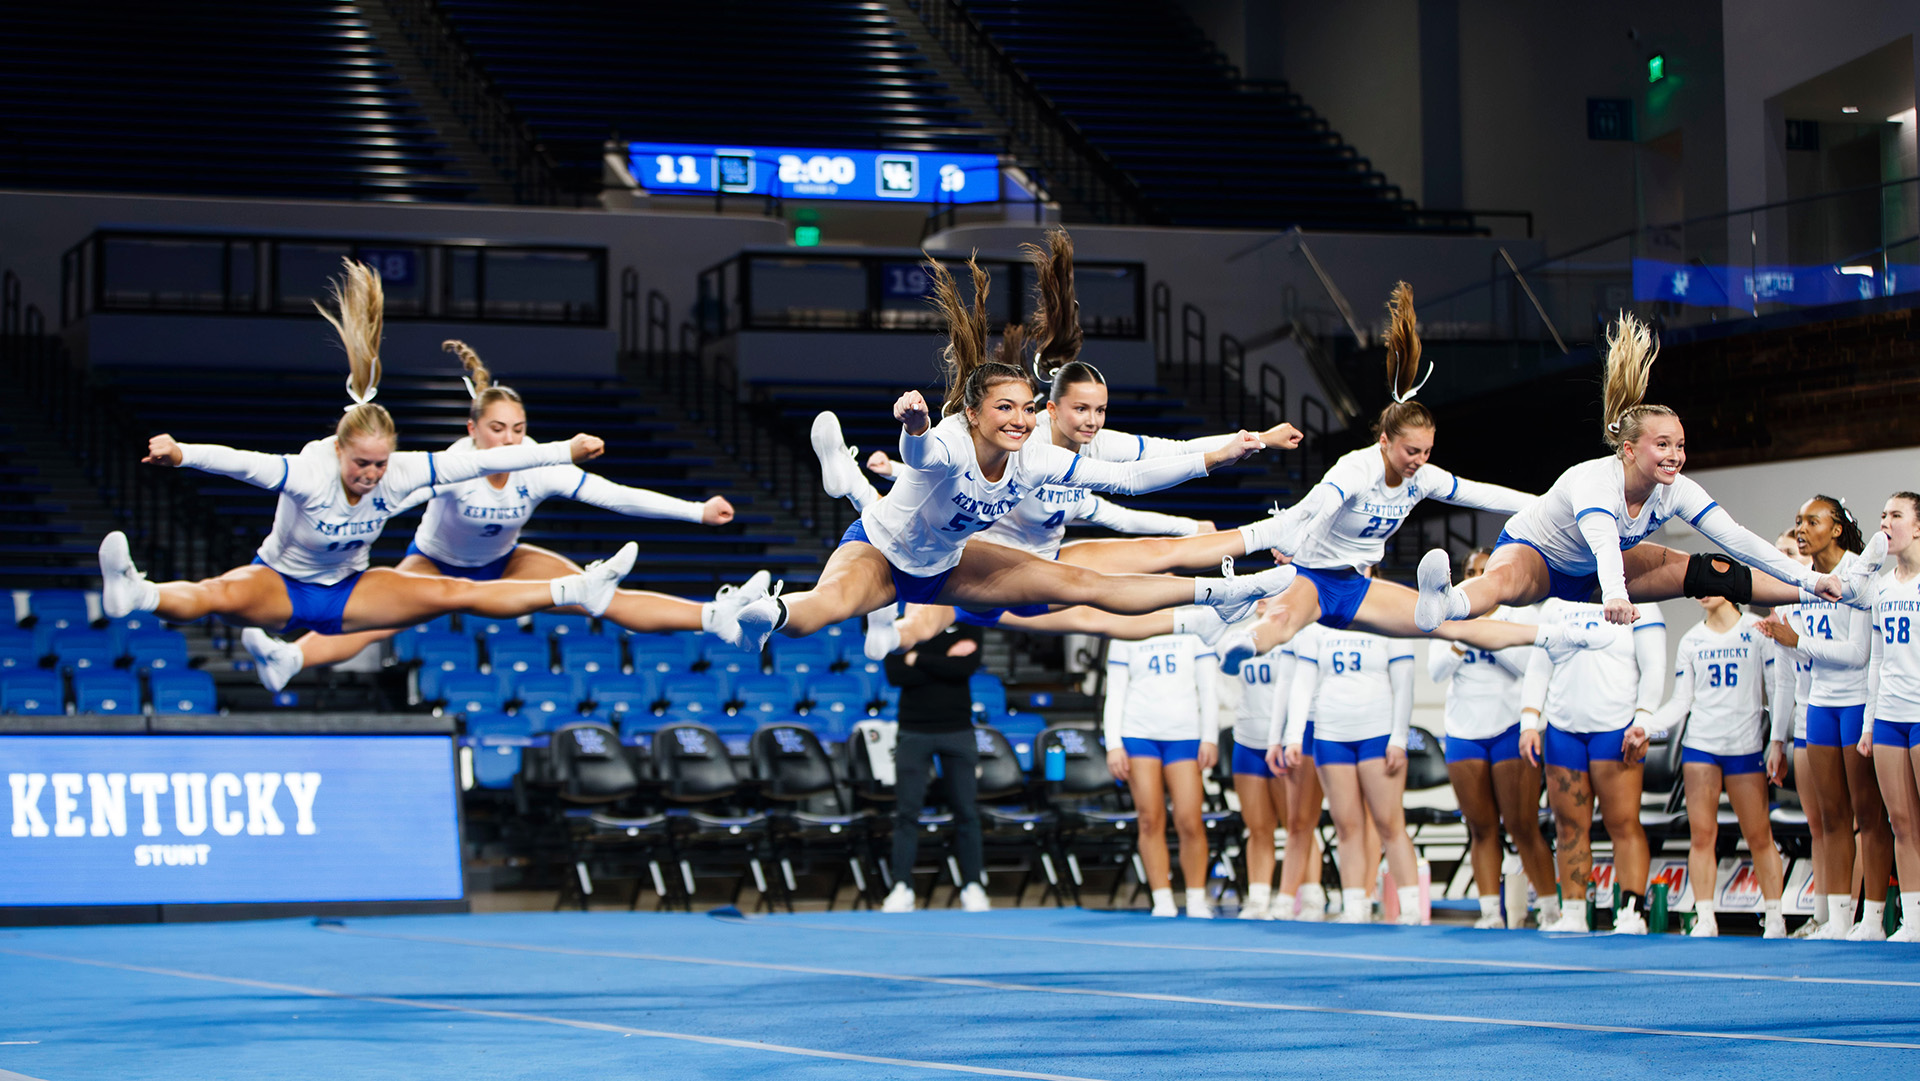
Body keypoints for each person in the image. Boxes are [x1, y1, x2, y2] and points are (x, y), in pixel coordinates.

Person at [722, 256, 1291, 653]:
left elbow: (1128, 480)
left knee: (1084, 584)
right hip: (885, 551)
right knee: (823, 608)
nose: (1020, 420)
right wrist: (915, 426)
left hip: (952, 566)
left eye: (1026, 409)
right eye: (1005, 410)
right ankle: (766, 611)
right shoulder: (950, 439)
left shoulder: (1036, 455)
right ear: (973, 414)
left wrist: (1218, 456)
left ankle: (1227, 592)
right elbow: (919, 457)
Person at [97, 261, 636, 636]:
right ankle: (137, 593)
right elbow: (240, 463)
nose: (371, 474)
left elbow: (489, 458)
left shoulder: (400, 471)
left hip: (352, 590)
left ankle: (575, 590)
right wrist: (179, 452)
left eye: (379, 463)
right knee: (213, 596)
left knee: (455, 593)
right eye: (361, 464)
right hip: (283, 583)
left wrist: (563, 450)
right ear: (338, 450)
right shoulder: (309, 470)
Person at [240, 340, 769, 691]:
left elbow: (612, 494)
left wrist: (696, 511)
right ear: (473, 430)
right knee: (377, 618)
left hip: (506, 563)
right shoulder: (451, 465)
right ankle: (291, 659)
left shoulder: (537, 463)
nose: (511, 439)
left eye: (518, 429)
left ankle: (715, 618)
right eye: (498, 430)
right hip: (434, 564)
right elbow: (380, 503)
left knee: (602, 597)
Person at [1218, 284, 1600, 674]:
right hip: (1312, 577)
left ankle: (1553, 639)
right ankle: (1243, 642)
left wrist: (1550, 507)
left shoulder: (1424, 478)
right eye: (1411, 452)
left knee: (1443, 623)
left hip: (1357, 587)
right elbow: (1322, 502)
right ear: (1384, 441)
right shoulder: (1358, 468)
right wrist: (1294, 539)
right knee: (1280, 623)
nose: (1419, 460)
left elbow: (1482, 495)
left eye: (1427, 452)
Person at [1415, 314, 1879, 633]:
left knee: (1711, 572)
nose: (1675, 455)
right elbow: (1601, 541)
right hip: (1540, 552)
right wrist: (1615, 595)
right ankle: (1446, 603)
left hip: (1602, 570)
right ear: (1629, 449)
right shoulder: (1596, 480)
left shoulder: (1674, 489)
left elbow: (1736, 538)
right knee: (1504, 584)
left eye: (1679, 445)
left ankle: (1834, 595)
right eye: (1663, 446)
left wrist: (1811, 580)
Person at [1756, 496, 1892, 939]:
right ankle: (1837, 918)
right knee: (1831, 818)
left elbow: (1857, 655)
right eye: (1797, 521)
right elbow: (1787, 675)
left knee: (1867, 817)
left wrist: (1797, 641)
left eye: (1811, 521)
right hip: (1819, 709)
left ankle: (1871, 917)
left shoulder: (1857, 573)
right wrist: (1779, 737)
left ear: (1835, 529)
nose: (1801, 528)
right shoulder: (1799, 580)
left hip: (1856, 704)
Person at [1518, 599, 1668, 933]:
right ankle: (1572, 912)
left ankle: (1632, 911)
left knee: (1623, 823)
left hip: (1616, 729)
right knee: (1569, 826)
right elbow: (1539, 668)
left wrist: (1643, 719)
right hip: (1563, 729)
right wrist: (1529, 720)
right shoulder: (1555, 605)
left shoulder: (1641, 602)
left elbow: (1654, 667)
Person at [1429, 549, 1559, 929]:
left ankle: (1550, 909)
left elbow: (1527, 666)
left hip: (1509, 727)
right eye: (1472, 572)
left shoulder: (1522, 613)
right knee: (1480, 827)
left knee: (1522, 824)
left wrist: (1485, 630)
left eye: (1486, 571)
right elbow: (1436, 671)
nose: (1478, 575)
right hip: (1464, 731)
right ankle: (1489, 913)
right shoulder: (1448, 612)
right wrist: (1465, 634)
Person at [1647, 594, 1788, 938]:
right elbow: (1682, 700)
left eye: (1711, 582)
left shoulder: (1756, 633)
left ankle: (1774, 915)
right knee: (1702, 835)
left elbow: (1777, 687)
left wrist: (1777, 741)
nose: (1702, 591)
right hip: (1701, 746)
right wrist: (1646, 726)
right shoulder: (1692, 639)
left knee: (1758, 835)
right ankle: (1705, 914)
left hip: (1744, 746)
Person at [1278, 616, 1420, 924]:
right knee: (1346, 825)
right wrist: (1293, 736)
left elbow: (1404, 682)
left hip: (1377, 733)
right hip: (1331, 735)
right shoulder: (1319, 625)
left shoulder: (1387, 620)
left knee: (1388, 823)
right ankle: (1355, 905)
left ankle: (1411, 907)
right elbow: (1302, 684)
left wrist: (1399, 737)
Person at [1104, 631, 1220, 917]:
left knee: (1190, 819)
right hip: (1139, 733)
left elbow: (1208, 689)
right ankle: (1162, 897)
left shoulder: (1194, 628)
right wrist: (1113, 744)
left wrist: (1210, 737)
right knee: (1149, 818)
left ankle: (1195, 897)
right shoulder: (1125, 631)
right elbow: (1116, 691)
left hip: (1184, 735)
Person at [880, 621, 989, 914]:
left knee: (966, 812)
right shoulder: (902, 625)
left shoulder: (968, 623)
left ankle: (973, 885)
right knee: (907, 813)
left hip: (958, 730)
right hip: (914, 731)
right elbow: (895, 673)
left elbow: (965, 668)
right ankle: (901, 886)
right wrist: (945, 660)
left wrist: (918, 657)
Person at [1228, 598, 1319, 919]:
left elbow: (1298, 686)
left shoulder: (1295, 634)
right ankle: (1258, 897)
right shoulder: (1241, 635)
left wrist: (1285, 734)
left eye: (1272, 594)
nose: (1263, 601)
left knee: (1298, 824)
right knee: (1257, 826)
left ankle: (1310, 896)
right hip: (1247, 739)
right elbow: (1225, 679)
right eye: (1258, 595)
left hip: (1283, 739)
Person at [1856, 492, 1920, 942]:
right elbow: (1876, 659)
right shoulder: (1880, 586)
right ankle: (1914, 919)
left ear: (1917, 527)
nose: (1886, 522)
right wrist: (1869, 722)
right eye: (1882, 515)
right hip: (1891, 712)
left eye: (1895, 515)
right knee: (1901, 822)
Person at [1762, 528, 1823, 936]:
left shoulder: (1828, 598)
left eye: (1787, 552)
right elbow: (1784, 683)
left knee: (1849, 822)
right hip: (1805, 722)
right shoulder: (1785, 608)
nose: (1781, 558)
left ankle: (1853, 913)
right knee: (1821, 825)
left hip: (1842, 716)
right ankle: (1825, 914)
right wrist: (1777, 740)